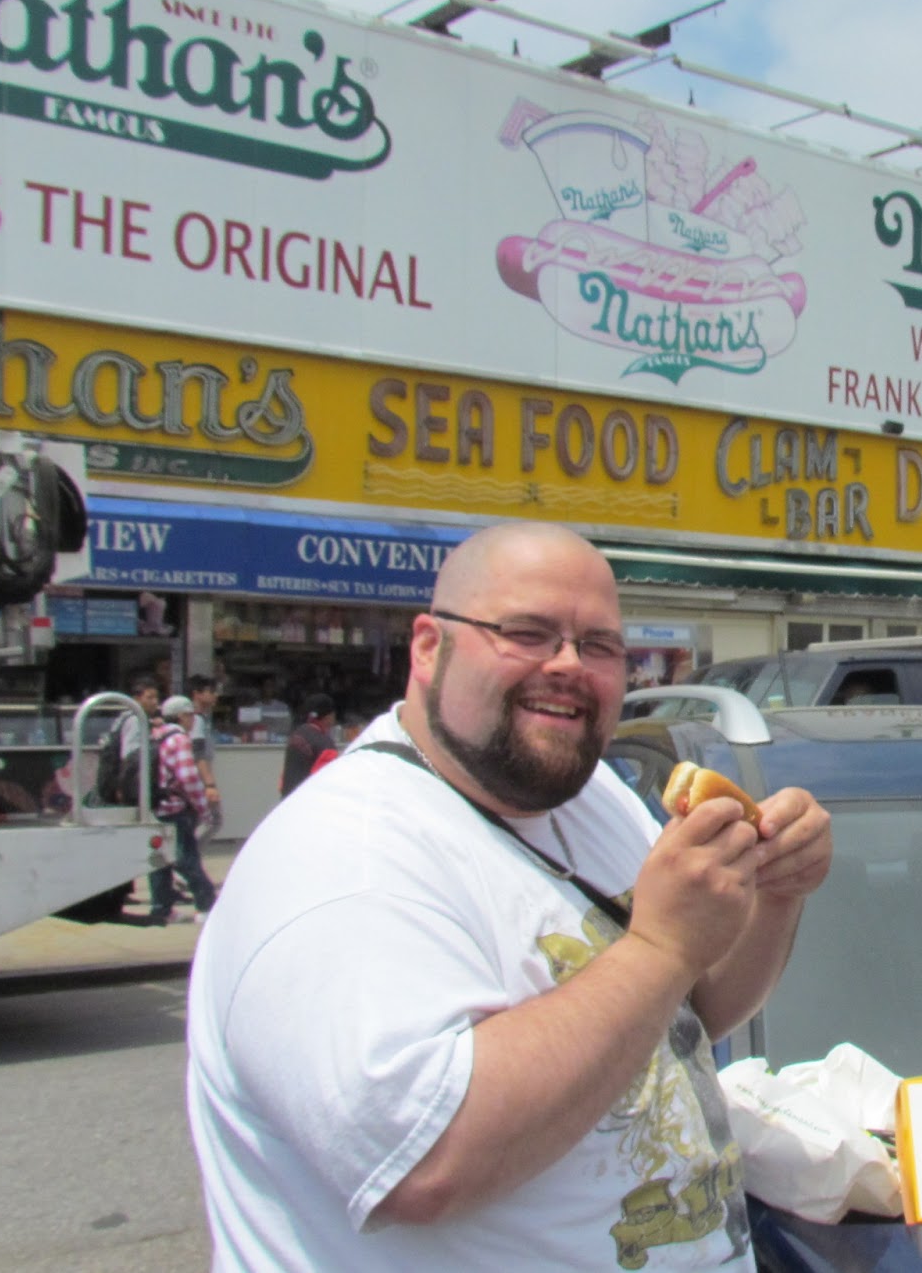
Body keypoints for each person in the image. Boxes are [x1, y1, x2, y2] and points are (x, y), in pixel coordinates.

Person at [187, 522, 833, 1271]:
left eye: (599, 645)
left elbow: (689, 1013)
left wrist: (777, 894)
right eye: (526, 632)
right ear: (429, 647)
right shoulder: (342, 856)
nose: (567, 665)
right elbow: (425, 1161)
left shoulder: (590, 796)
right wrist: (662, 947)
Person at [147, 695, 218, 926]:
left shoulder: (154, 734)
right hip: (174, 807)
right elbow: (188, 777)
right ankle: (206, 905)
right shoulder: (178, 739)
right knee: (187, 858)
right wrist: (202, 807)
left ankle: (161, 908)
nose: (191, 720)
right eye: (189, 715)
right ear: (180, 716)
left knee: (158, 860)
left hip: (154, 806)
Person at [278, 691, 337, 797]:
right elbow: (325, 782)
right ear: (328, 716)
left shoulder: (296, 735)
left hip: (287, 801)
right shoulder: (326, 744)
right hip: (308, 803)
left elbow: (283, 778)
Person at [187, 673, 223, 837]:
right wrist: (209, 784)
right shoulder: (196, 720)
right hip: (197, 779)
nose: (215, 695)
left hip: (196, 779)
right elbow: (198, 752)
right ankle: (189, 856)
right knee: (212, 821)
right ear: (197, 694)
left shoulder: (201, 719)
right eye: (211, 691)